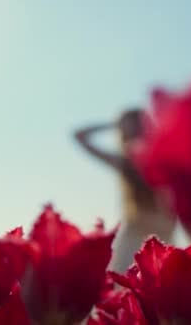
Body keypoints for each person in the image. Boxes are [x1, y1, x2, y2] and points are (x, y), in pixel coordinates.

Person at [74, 109, 176, 272]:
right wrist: (113, 125)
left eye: (134, 123)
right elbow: (79, 135)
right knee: (122, 285)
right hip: (134, 236)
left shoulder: (165, 155)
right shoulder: (125, 162)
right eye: (126, 124)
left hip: (164, 235)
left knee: (165, 289)